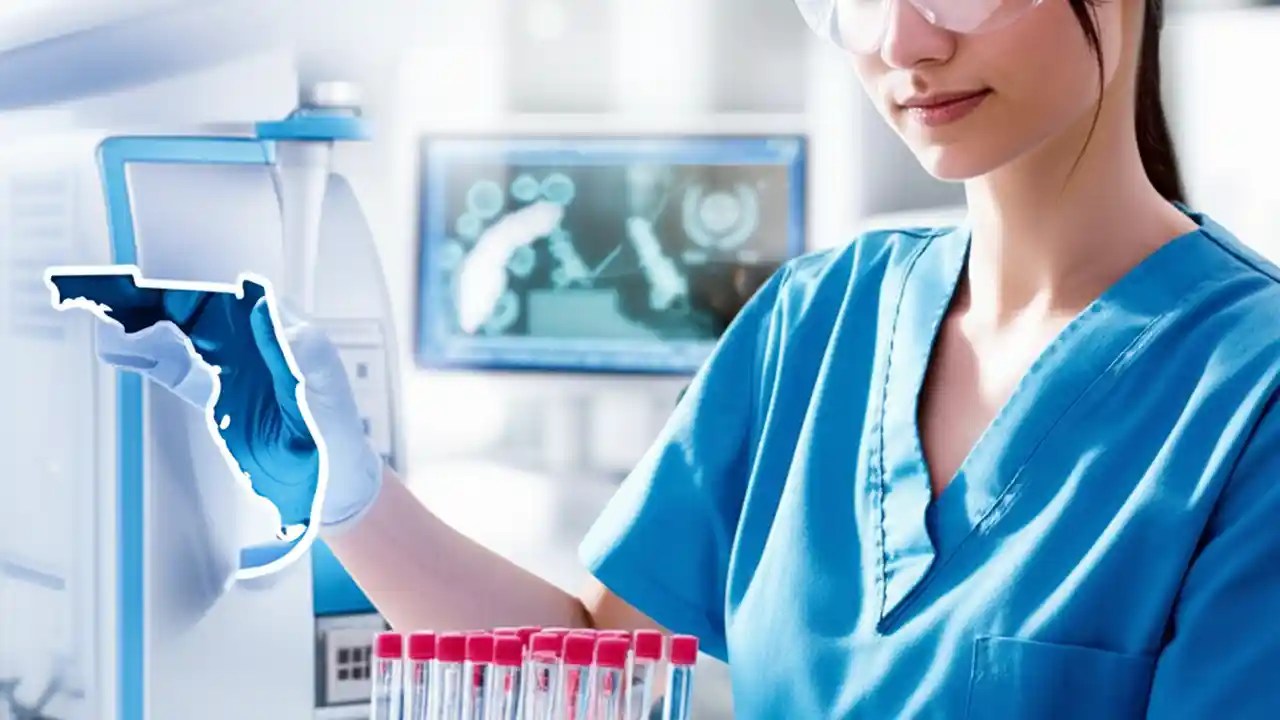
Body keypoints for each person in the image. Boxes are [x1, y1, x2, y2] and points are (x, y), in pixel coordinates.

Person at [97, 0, 1280, 716]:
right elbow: (603, 666)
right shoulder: (817, 320)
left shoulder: (1247, 397)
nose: (899, 41)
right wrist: (347, 501)